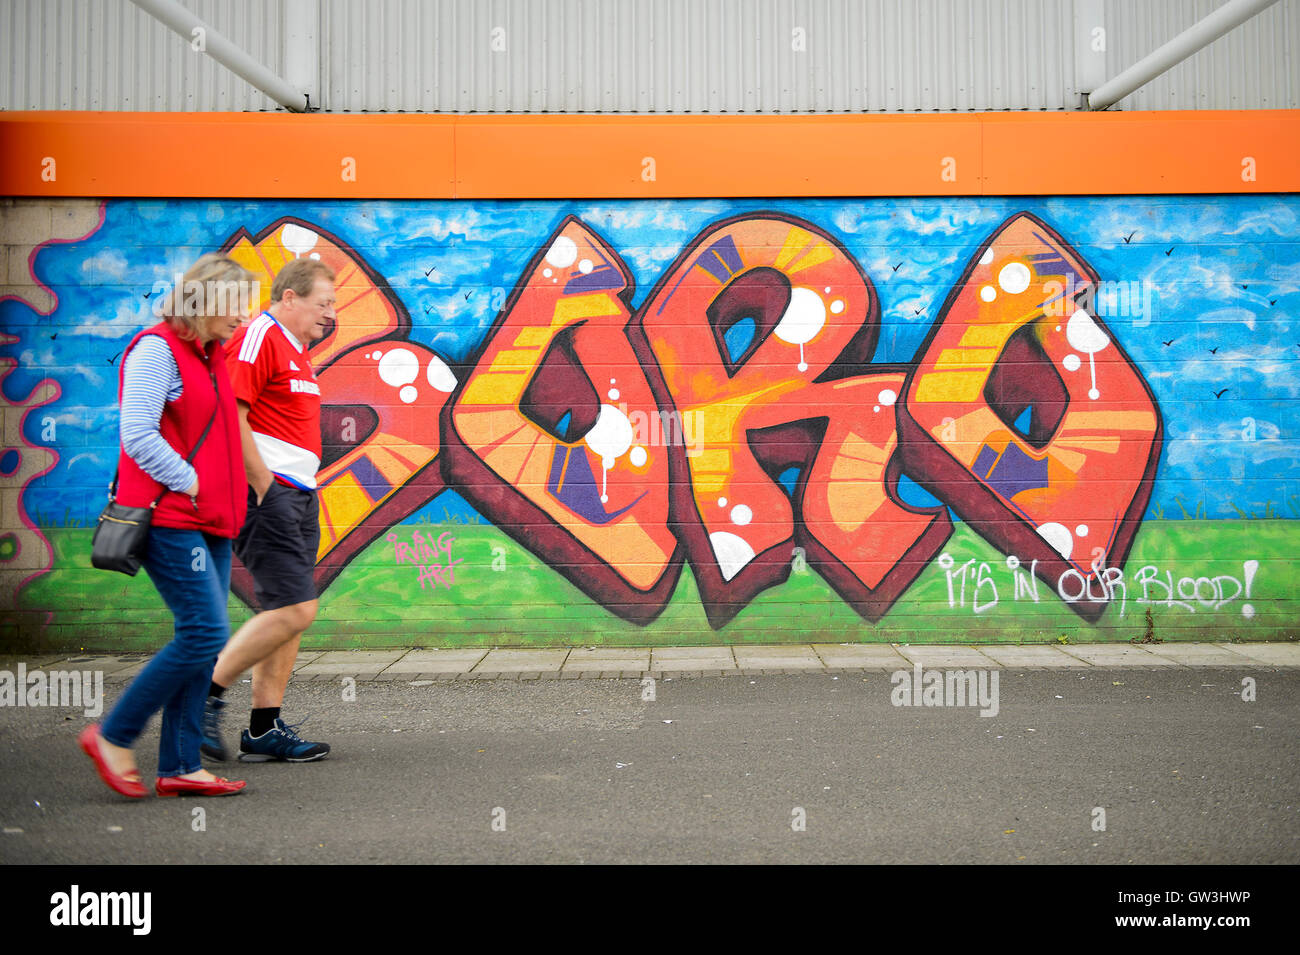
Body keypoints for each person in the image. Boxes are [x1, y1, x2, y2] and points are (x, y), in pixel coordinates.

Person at [79, 253, 254, 798]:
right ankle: (113, 735)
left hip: (213, 521)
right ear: (206, 301)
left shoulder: (210, 355)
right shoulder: (158, 350)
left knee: (200, 640)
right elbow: (138, 434)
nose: (243, 318)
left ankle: (181, 766)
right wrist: (193, 482)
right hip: (172, 516)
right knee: (205, 632)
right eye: (235, 306)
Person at [201, 257, 335, 763]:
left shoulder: (297, 352)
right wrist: (260, 481)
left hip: (298, 490)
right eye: (323, 303)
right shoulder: (262, 334)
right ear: (289, 298)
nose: (330, 314)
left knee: (287, 613)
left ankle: (262, 729)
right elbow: (229, 411)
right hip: (270, 490)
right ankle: (202, 696)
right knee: (294, 608)